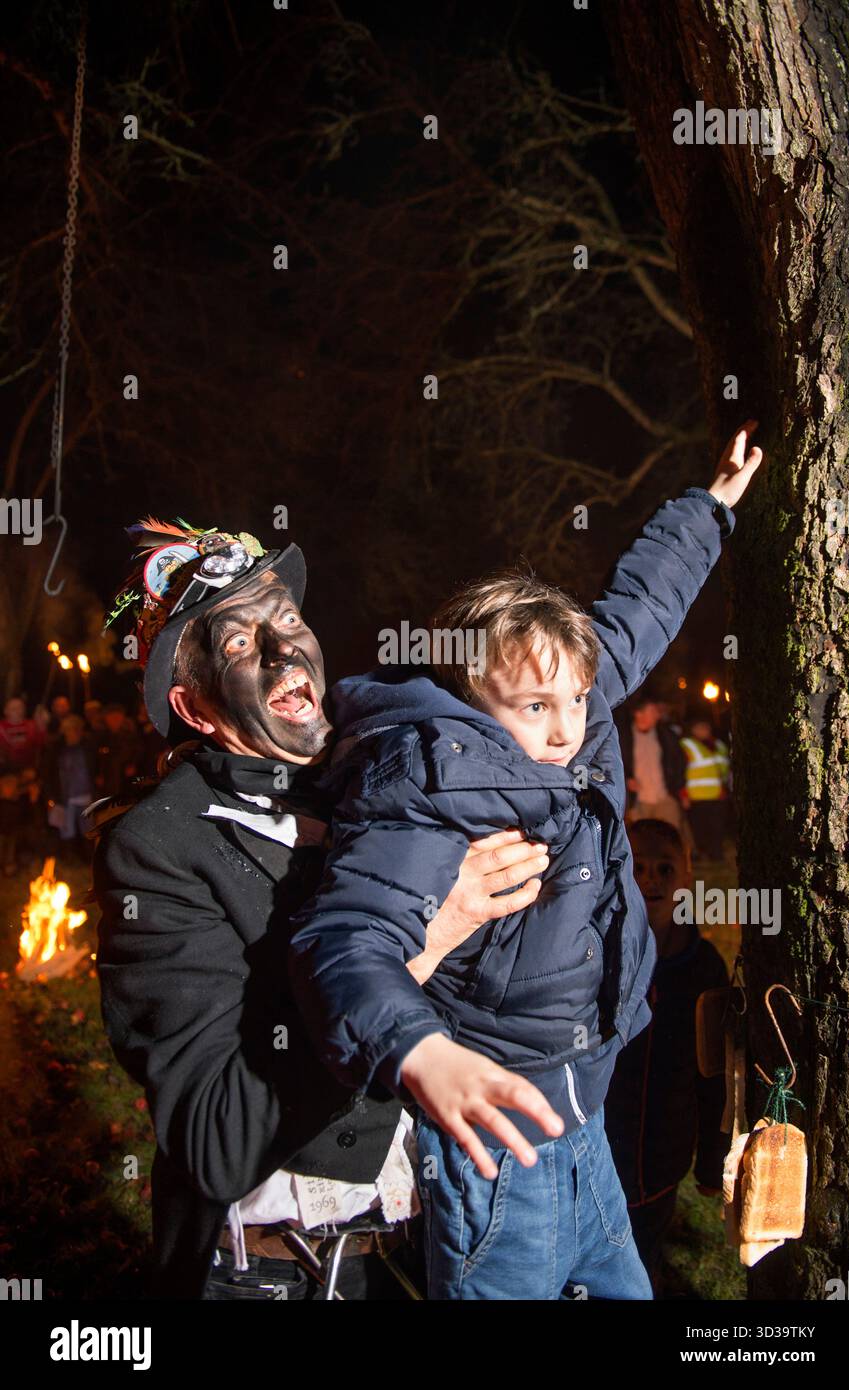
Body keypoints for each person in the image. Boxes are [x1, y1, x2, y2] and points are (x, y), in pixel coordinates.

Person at [288, 423, 762, 1300]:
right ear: (469, 698)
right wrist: (420, 1054)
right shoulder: (435, 780)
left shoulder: (570, 718)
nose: (565, 728)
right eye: (534, 705)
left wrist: (708, 508)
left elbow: (633, 618)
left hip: (586, 1113)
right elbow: (348, 937)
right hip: (499, 1139)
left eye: (576, 699)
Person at [92, 519, 554, 1300]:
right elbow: (217, 1138)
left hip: (435, 1250)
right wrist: (427, 935)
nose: (281, 651)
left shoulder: (379, 774)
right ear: (195, 708)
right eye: (239, 646)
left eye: (288, 623)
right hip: (274, 1274)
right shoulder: (159, 847)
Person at [604, 818, 730, 1295]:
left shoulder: (704, 966)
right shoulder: (599, 950)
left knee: (642, 1260)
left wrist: (713, 1160)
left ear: (687, 877)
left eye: (664, 868)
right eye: (638, 867)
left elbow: (713, 1072)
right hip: (601, 1147)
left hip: (664, 1154)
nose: (650, 879)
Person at [617, 690, 687, 832]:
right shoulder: (622, 737)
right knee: (642, 844)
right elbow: (614, 765)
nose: (657, 714)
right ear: (638, 713)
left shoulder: (666, 735)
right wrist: (626, 780)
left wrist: (677, 787)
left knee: (671, 841)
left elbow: (679, 762)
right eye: (653, 711)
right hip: (638, 803)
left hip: (665, 800)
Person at [42, 713, 97, 859]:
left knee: (88, 829)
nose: (71, 733)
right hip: (66, 797)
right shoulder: (56, 750)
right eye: (67, 729)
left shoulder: (88, 747)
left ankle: (88, 858)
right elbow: (49, 774)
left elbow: (96, 769)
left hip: (86, 795)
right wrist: (51, 796)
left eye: (74, 729)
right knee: (67, 830)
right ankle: (69, 858)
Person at [680, 712, 731, 862]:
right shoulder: (687, 745)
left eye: (706, 728)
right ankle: (702, 854)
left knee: (717, 828)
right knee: (700, 829)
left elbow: (725, 769)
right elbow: (680, 771)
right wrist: (683, 794)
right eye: (700, 728)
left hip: (717, 795)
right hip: (696, 796)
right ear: (693, 730)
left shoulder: (719, 745)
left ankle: (716, 855)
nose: (704, 731)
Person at [0, 696, 45, 772]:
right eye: (13, 708)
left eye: (19, 707)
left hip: (28, 771)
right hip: (5, 772)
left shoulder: (32, 725)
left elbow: (41, 745)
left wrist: (42, 728)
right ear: (5, 711)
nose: (16, 710)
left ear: (24, 710)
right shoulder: (1, 728)